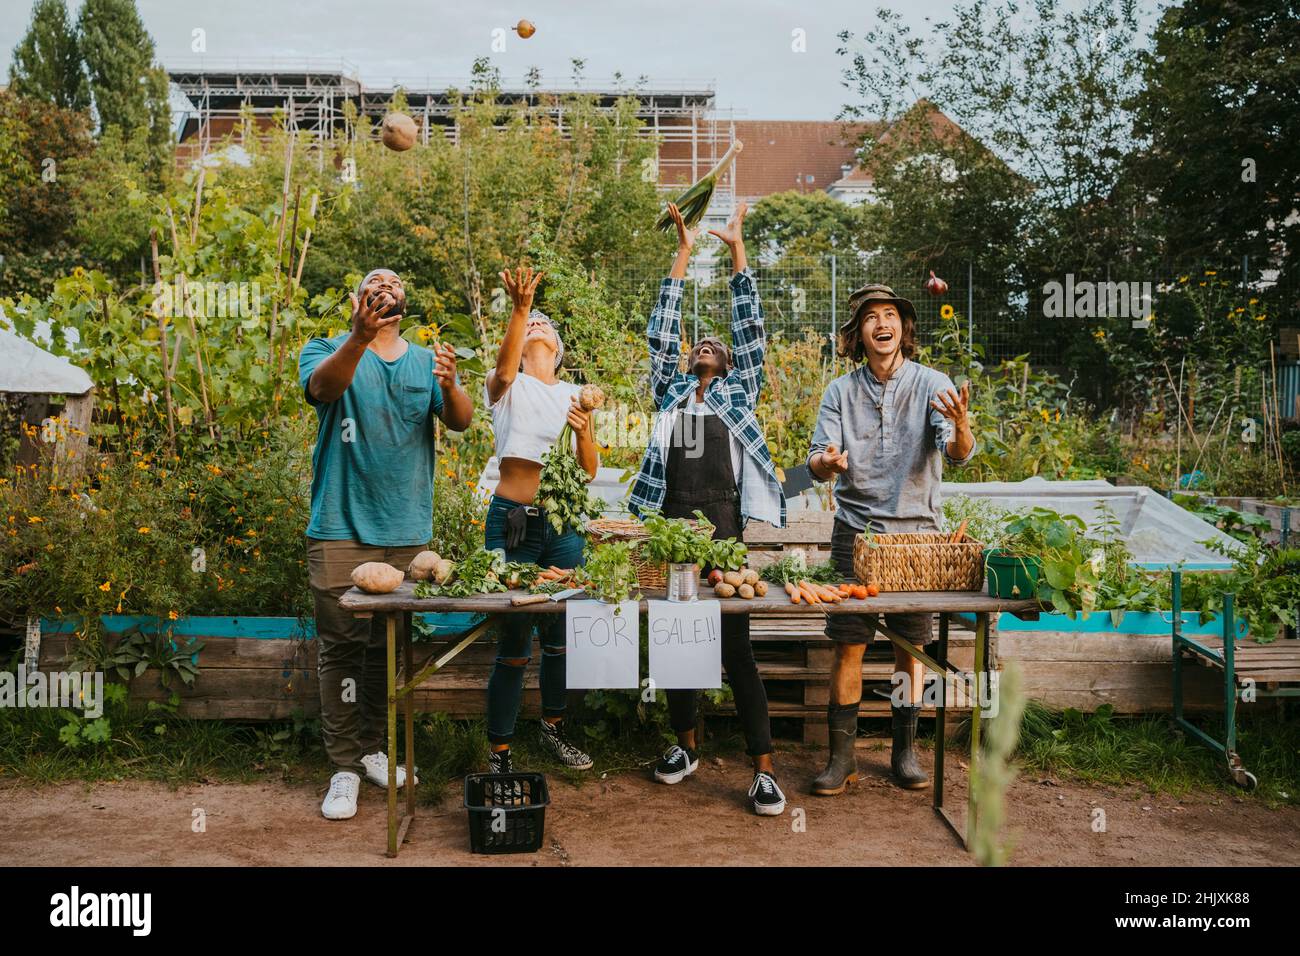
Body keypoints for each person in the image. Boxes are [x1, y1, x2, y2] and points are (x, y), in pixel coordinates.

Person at [628, 202, 788, 816]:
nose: (705, 344)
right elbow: (660, 330)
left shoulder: (739, 392)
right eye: (699, 342)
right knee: (675, 641)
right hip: (671, 522)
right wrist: (685, 252)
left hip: (723, 526)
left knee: (734, 648)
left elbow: (750, 330)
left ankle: (764, 770)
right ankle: (685, 748)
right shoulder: (668, 391)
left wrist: (738, 253)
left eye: (715, 345)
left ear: (727, 363)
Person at [299, 269, 474, 821]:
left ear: (404, 301)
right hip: (339, 528)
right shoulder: (328, 347)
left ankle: (372, 750)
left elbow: (463, 422)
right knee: (343, 648)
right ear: (358, 301)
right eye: (372, 284)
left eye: (392, 283)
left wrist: (450, 385)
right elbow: (323, 389)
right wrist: (357, 335)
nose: (383, 288)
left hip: (406, 533)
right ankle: (343, 769)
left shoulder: (426, 361)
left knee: (385, 649)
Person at [806, 282, 975, 794]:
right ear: (858, 333)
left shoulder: (932, 383)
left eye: (890, 316)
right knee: (849, 649)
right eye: (871, 317)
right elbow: (816, 460)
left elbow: (958, 452)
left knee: (910, 649)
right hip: (856, 535)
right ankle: (843, 760)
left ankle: (905, 753)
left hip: (918, 541)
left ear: (903, 327)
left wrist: (963, 426)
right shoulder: (840, 391)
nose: (882, 324)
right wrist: (827, 463)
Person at [482, 265, 599, 775]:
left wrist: (583, 431)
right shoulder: (505, 386)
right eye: (531, 324)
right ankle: (500, 751)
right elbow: (505, 371)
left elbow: (589, 470)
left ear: (558, 345)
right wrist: (521, 308)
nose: (537, 328)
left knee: (558, 637)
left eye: (544, 325)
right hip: (513, 519)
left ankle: (554, 729)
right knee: (513, 640)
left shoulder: (573, 394)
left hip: (563, 524)